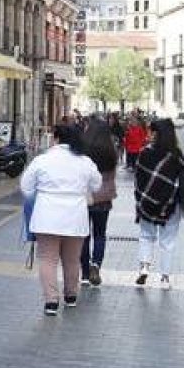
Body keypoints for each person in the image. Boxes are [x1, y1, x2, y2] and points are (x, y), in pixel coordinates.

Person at [20, 124, 103, 316]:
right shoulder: (85, 161)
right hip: (75, 217)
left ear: (55, 138)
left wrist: (41, 193)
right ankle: (71, 296)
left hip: (46, 217)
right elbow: (97, 185)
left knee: (48, 259)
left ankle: (51, 301)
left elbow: (26, 186)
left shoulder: (42, 160)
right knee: (72, 259)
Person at [134, 118, 184, 289]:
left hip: (147, 202)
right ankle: (165, 278)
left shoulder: (144, 153)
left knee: (146, 235)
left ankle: (144, 267)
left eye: (151, 131)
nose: (149, 134)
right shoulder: (176, 156)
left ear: (157, 133)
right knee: (168, 241)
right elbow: (182, 182)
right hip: (171, 205)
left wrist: (140, 198)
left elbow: (138, 178)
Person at [79, 119, 119, 287]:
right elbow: (113, 174)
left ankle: (85, 273)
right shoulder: (111, 150)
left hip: (85, 197)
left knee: (84, 235)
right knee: (100, 234)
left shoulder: (83, 150)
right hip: (104, 198)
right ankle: (96, 265)